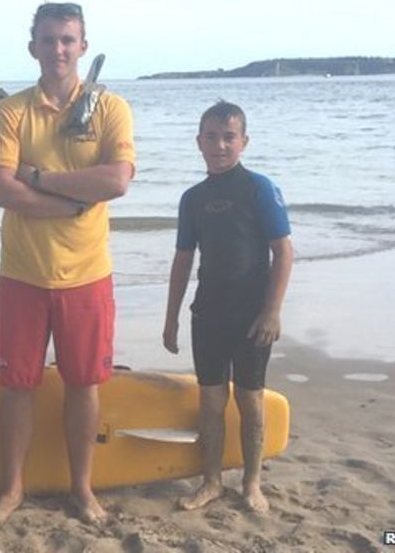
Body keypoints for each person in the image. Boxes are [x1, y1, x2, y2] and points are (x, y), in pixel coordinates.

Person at [0, 1, 136, 524]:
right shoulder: (9, 112)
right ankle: (12, 488)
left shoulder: (110, 109)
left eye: (68, 40)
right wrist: (73, 202)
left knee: (83, 383)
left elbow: (115, 180)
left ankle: (83, 489)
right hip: (23, 273)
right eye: (48, 40)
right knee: (17, 384)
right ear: (34, 48)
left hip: (88, 275)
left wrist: (39, 178)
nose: (59, 50)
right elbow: (0, 190)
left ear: (83, 46)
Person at [162, 101, 293, 513]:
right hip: (209, 314)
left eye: (229, 137)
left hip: (252, 316)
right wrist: (171, 319)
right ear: (199, 142)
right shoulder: (193, 199)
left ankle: (252, 483)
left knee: (250, 400)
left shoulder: (259, 188)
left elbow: (283, 253)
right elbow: (183, 259)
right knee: (211, 401)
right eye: (212, 137)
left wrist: (272, 311)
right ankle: (212, 481)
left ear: (244, 142)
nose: (220, 145)